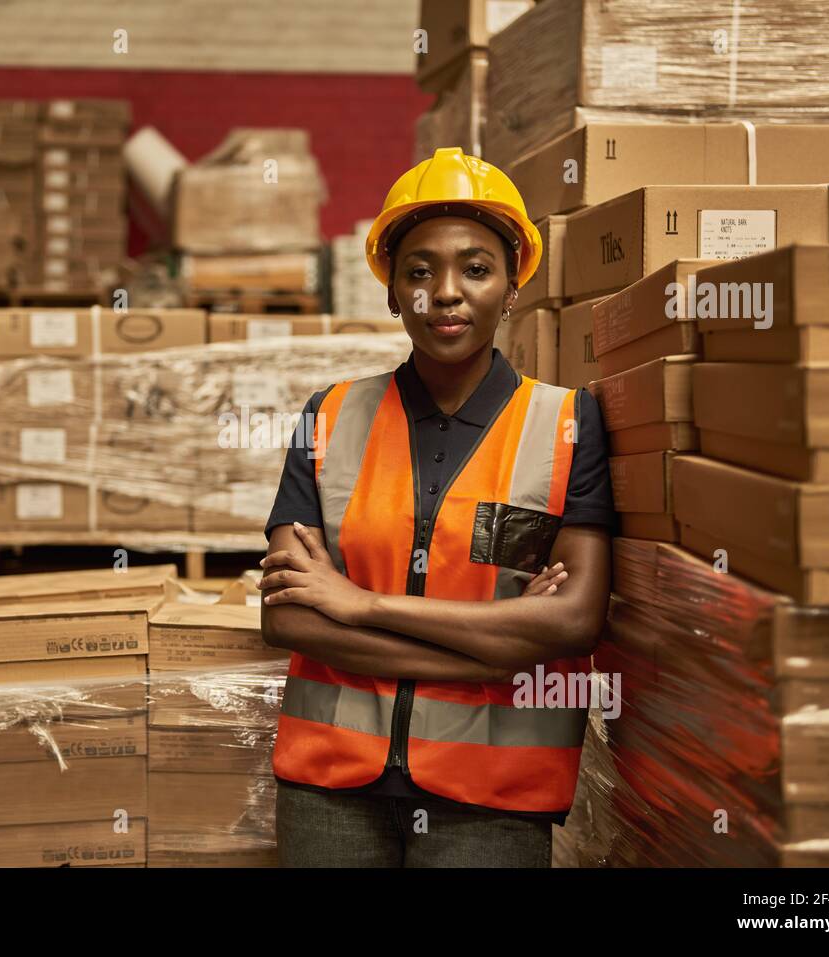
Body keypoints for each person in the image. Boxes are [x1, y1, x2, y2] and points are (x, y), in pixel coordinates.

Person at [257, 147, 616, 868]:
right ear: (393, 293)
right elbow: (287, 615)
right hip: (331, 790)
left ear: (512, 287)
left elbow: (575, 621)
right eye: (419, 271)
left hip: (490, 799)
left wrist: (358, 604)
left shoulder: (568, 424)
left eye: (476, 268)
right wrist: (504, 642)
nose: (445, 292)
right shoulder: (326, 416)